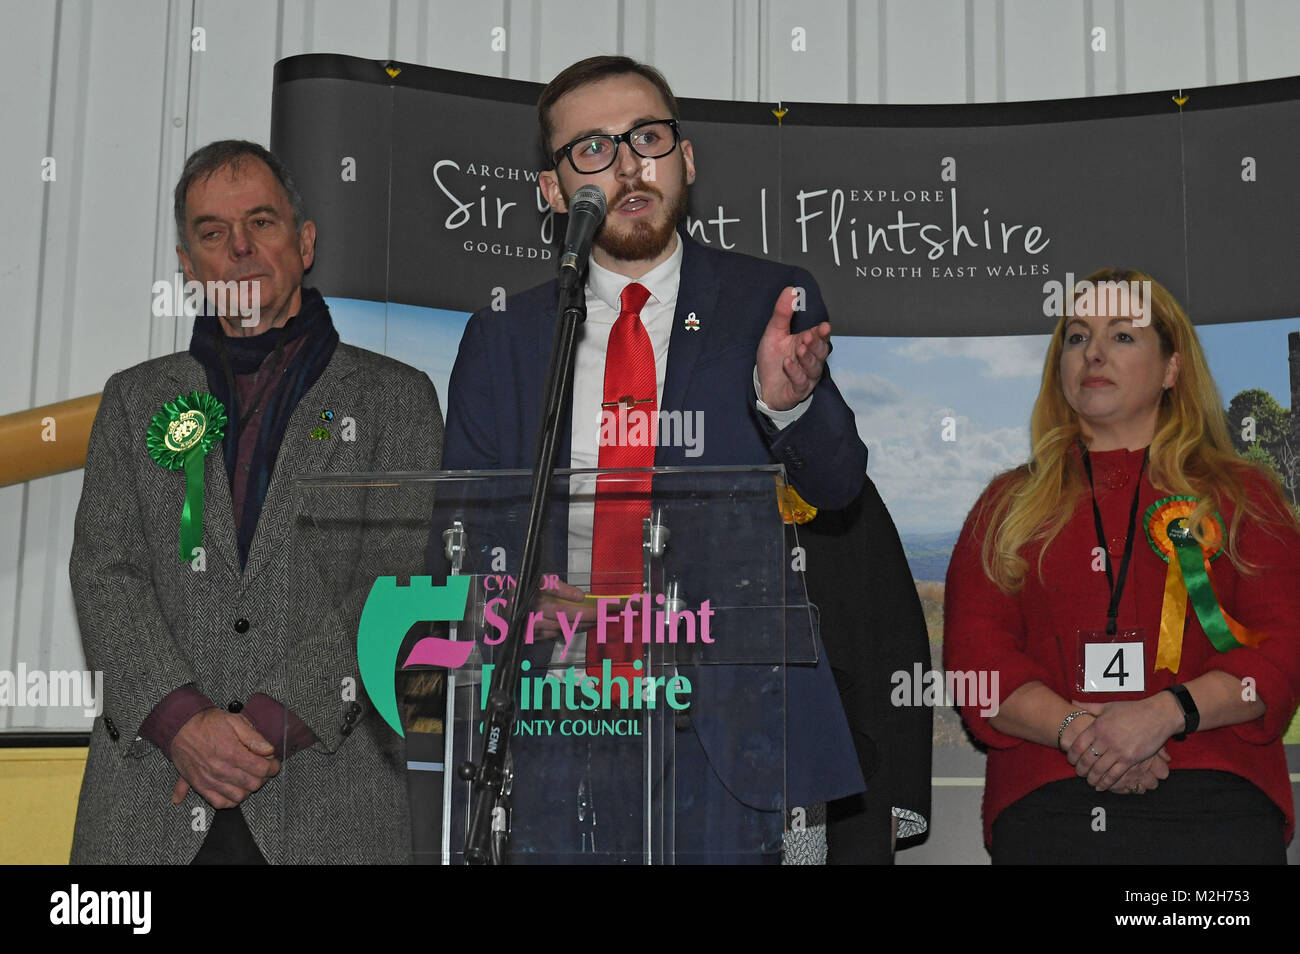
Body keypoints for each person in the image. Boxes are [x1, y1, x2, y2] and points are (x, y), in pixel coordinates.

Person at [441, 55, 924, 862]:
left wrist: (787, 404)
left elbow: (837, 489)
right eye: (592, 148)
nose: (629, 165)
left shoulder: (767, 300)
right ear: (553, 192)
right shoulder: (506, 339)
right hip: (561, 717)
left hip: (730, 723)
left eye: (648, 137)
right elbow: (462, 539)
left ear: (687, 160)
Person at [69, 140, 443, 863]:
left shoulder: (397, 399)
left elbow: (395, 582)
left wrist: (264, 729)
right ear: (186, 265)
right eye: (212, 233)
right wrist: (183, 725)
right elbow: (103, 576)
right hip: (151, 803)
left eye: (262, 222)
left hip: (329, 804)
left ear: (304, 243)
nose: (239, 247)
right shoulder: (133, 400)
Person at [944, 268, 1300, 863]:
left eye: (1123, 336)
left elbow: (1283, 646)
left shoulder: (1244, 495)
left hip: (1218, 801)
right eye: (1077, 338)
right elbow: (976, 663)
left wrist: (1167, 713)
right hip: (1051, 801)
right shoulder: (1005, 506)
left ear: (1171, 368)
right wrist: (1081, 734)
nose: (1094, 353)